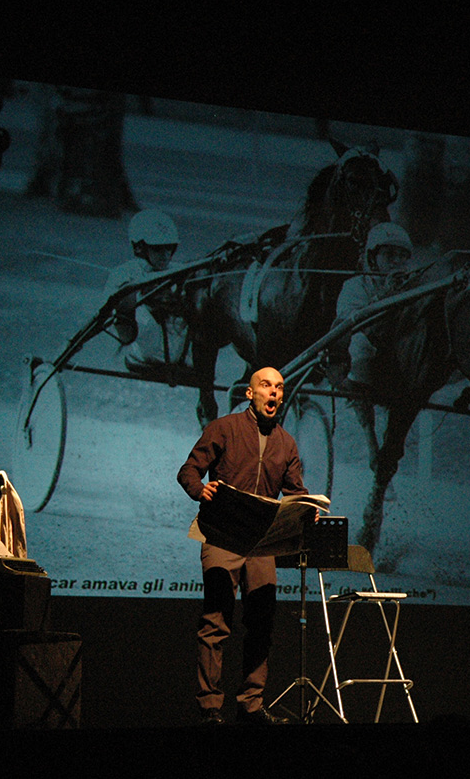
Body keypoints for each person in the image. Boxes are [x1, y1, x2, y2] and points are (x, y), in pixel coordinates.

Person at [177, 367, 308, 725]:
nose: (274, 393)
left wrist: (306, 509)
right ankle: (210, 708)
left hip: (261, 544)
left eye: (279, 388)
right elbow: (189, 469)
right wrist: (198, 489)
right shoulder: (225, 427)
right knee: (216, 621)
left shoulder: (286, 442)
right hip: (222, 534)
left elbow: (295, 492)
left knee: (261, 622)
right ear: (250, 393)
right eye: (266, 386)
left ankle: (250, 704)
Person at [328, 221, 414, 389]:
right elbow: (346, 323)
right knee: (359, 343)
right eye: (390, 254)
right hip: (356, 356)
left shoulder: (413, 287)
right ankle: (360, 400)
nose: (397, 261)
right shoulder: (355, 286)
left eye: (402, 256)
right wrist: (385, 295)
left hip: (396, 350)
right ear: (372, 258)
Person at [105, 209, 189, 373]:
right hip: (140, 352)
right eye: (158, 249)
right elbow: (112, 323)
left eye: (169, 248)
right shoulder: (123, 273)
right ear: (139, 248)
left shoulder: (179, 269)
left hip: (179, 354)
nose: (165, 255)